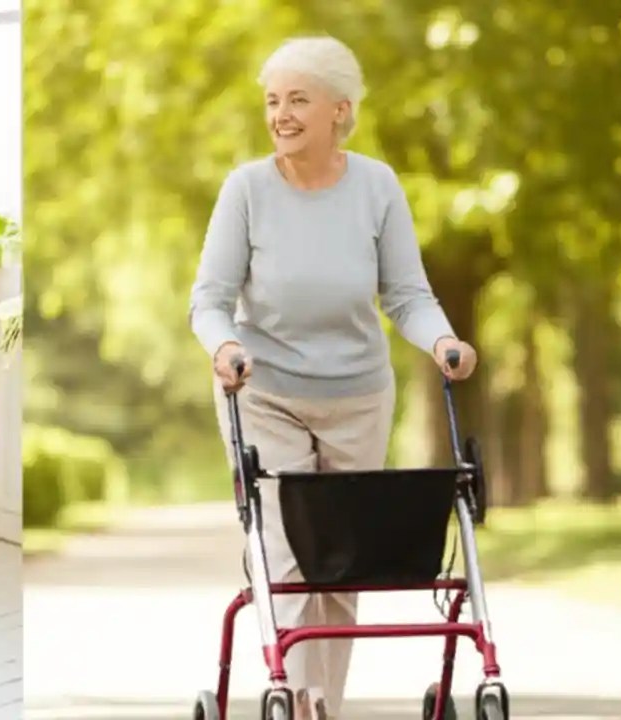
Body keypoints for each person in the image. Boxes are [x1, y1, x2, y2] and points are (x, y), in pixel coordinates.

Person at [188, 36, 478, 719]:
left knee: (343, 563)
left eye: (297, 100)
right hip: (265, 394)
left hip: (357, 396)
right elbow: (209, 298)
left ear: (339, 110)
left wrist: (442, 341)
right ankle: (290, 695)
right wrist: (225, 346)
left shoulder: (376, 186)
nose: (280, 115)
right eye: (272, 101)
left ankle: (327, 705)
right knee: (288, 557)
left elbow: (406, 294)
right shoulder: (247, 190)